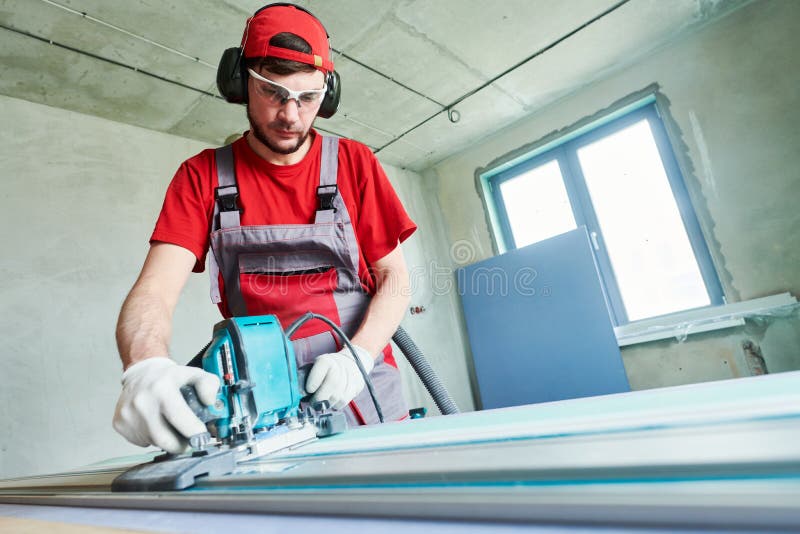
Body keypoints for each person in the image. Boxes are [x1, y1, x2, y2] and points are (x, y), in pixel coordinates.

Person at [112, 4, 416, 455]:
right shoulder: (202, 177)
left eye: (308, 97)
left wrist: (359, 357)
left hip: (364, 388)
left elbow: (396, 280)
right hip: (261, 404)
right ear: (240, 82)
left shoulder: (355, 163)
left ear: (327, 96)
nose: (291, 115)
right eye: (273, 93)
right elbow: (154, 291)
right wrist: (145, 366)